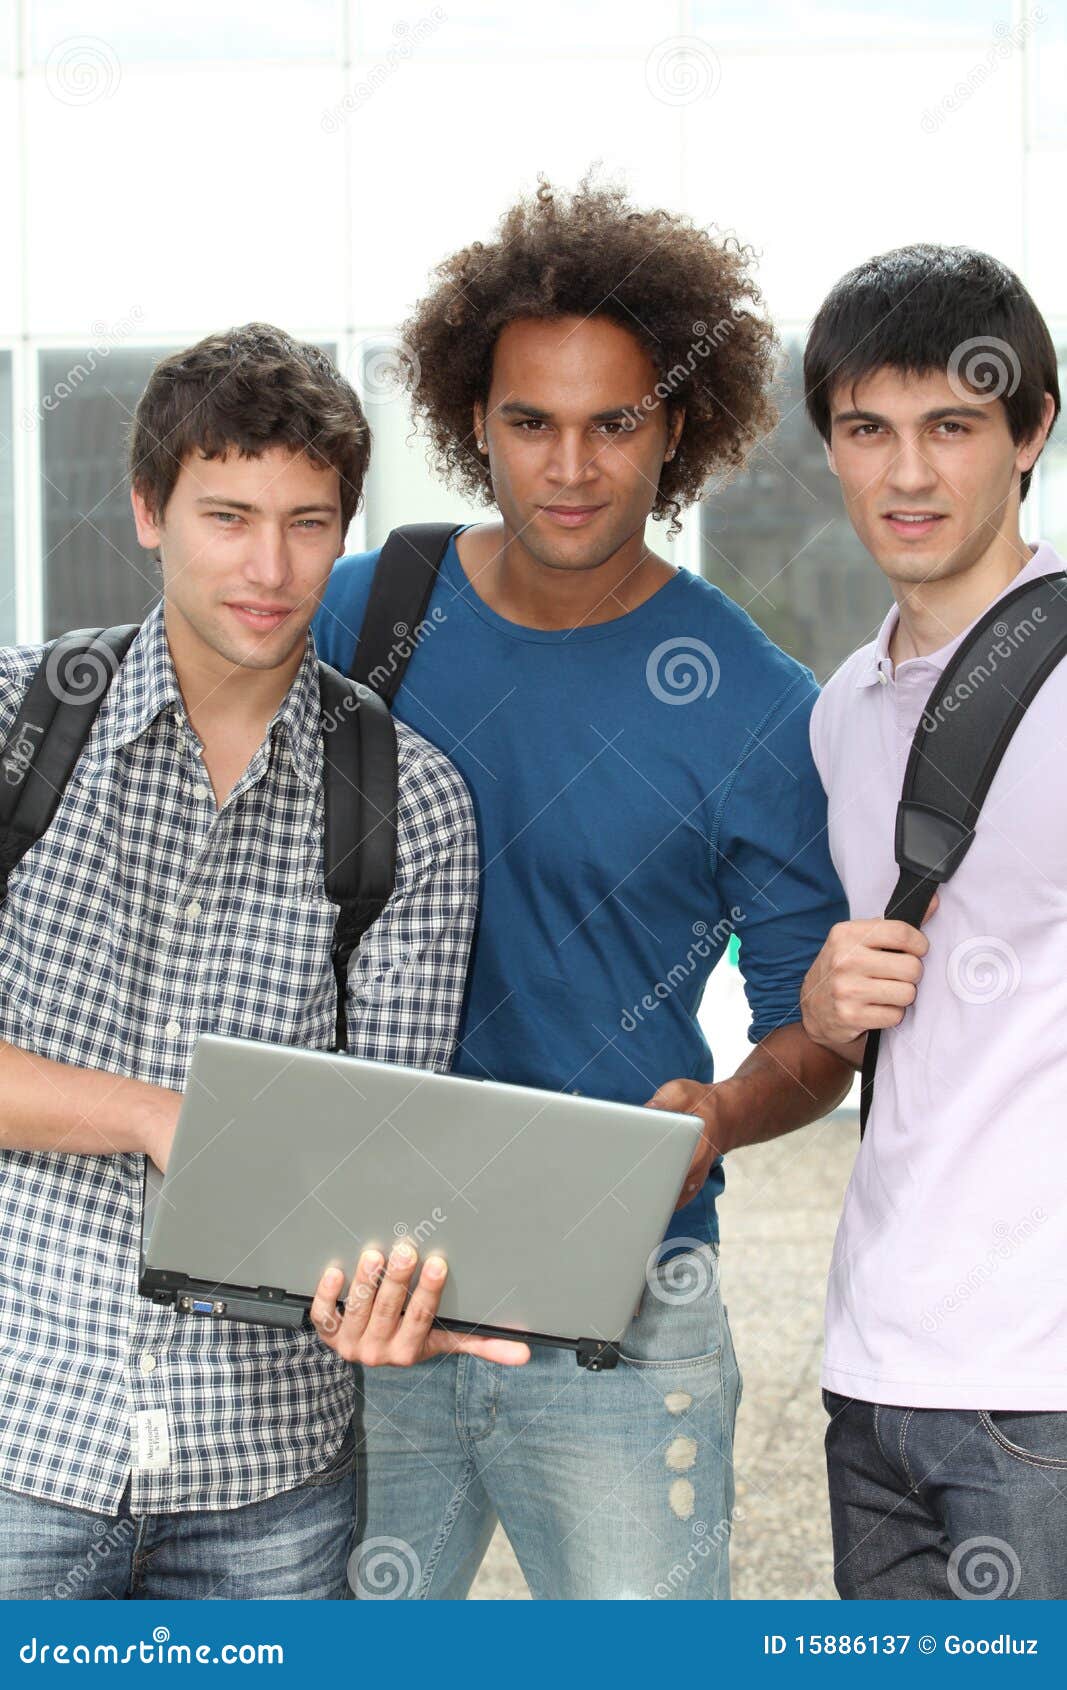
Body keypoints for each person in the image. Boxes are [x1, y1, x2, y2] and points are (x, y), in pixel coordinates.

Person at [314, 178, 854, 1600]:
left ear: (674, 426)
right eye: (528, 421)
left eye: (612, 421)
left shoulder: (752, 703)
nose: (568, 465)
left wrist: (722, 1112)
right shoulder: (361, 613)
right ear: (469, 422)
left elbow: (815, 1037)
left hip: (621, 1302)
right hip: (366, 1292)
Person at [0, 323, 527, 1603]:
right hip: (17, 1431)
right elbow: (180, 1128)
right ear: (146, 509)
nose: (269, 565)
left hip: (265, 1476)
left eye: (306, 521)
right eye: (227, 515)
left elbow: (371, 1150)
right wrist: (149, 1118)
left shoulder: (413, 801)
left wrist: (379, 1285)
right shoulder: (17, 730)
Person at [799, 244, 1064, 1599]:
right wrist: (819, 1006)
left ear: (1029, 432)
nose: (905, 474)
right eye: (867, 430)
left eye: (949, 425)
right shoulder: (841, 704)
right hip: (874, 1360)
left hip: (1041, 1383)